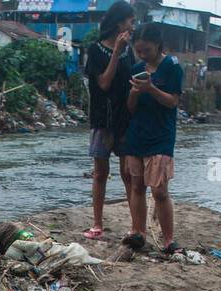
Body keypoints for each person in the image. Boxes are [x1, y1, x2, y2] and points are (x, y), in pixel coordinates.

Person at [122, 23, 184, 253]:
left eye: (146, 50)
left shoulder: (172, 67)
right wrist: (134, 92)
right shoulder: (137, 68)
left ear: (158, 45)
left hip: (161, 135)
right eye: (138, 51)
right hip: (137, 134)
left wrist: (151, 89)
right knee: (137, 185)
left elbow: (173, 101)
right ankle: (138, 232)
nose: (142, 55)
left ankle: (168, 239)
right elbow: (130, 108)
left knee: (159, 190)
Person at [83, 1, 136, 239]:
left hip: (125, 118)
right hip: (102, 118)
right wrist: (116, 51)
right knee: (100, 173)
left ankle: (136, 226)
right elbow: (103, 83)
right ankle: (97, 224)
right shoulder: (95, 50)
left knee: (129, 174)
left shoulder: (130, 51)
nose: (133, 27)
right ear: (119, 23)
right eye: (130, 22)